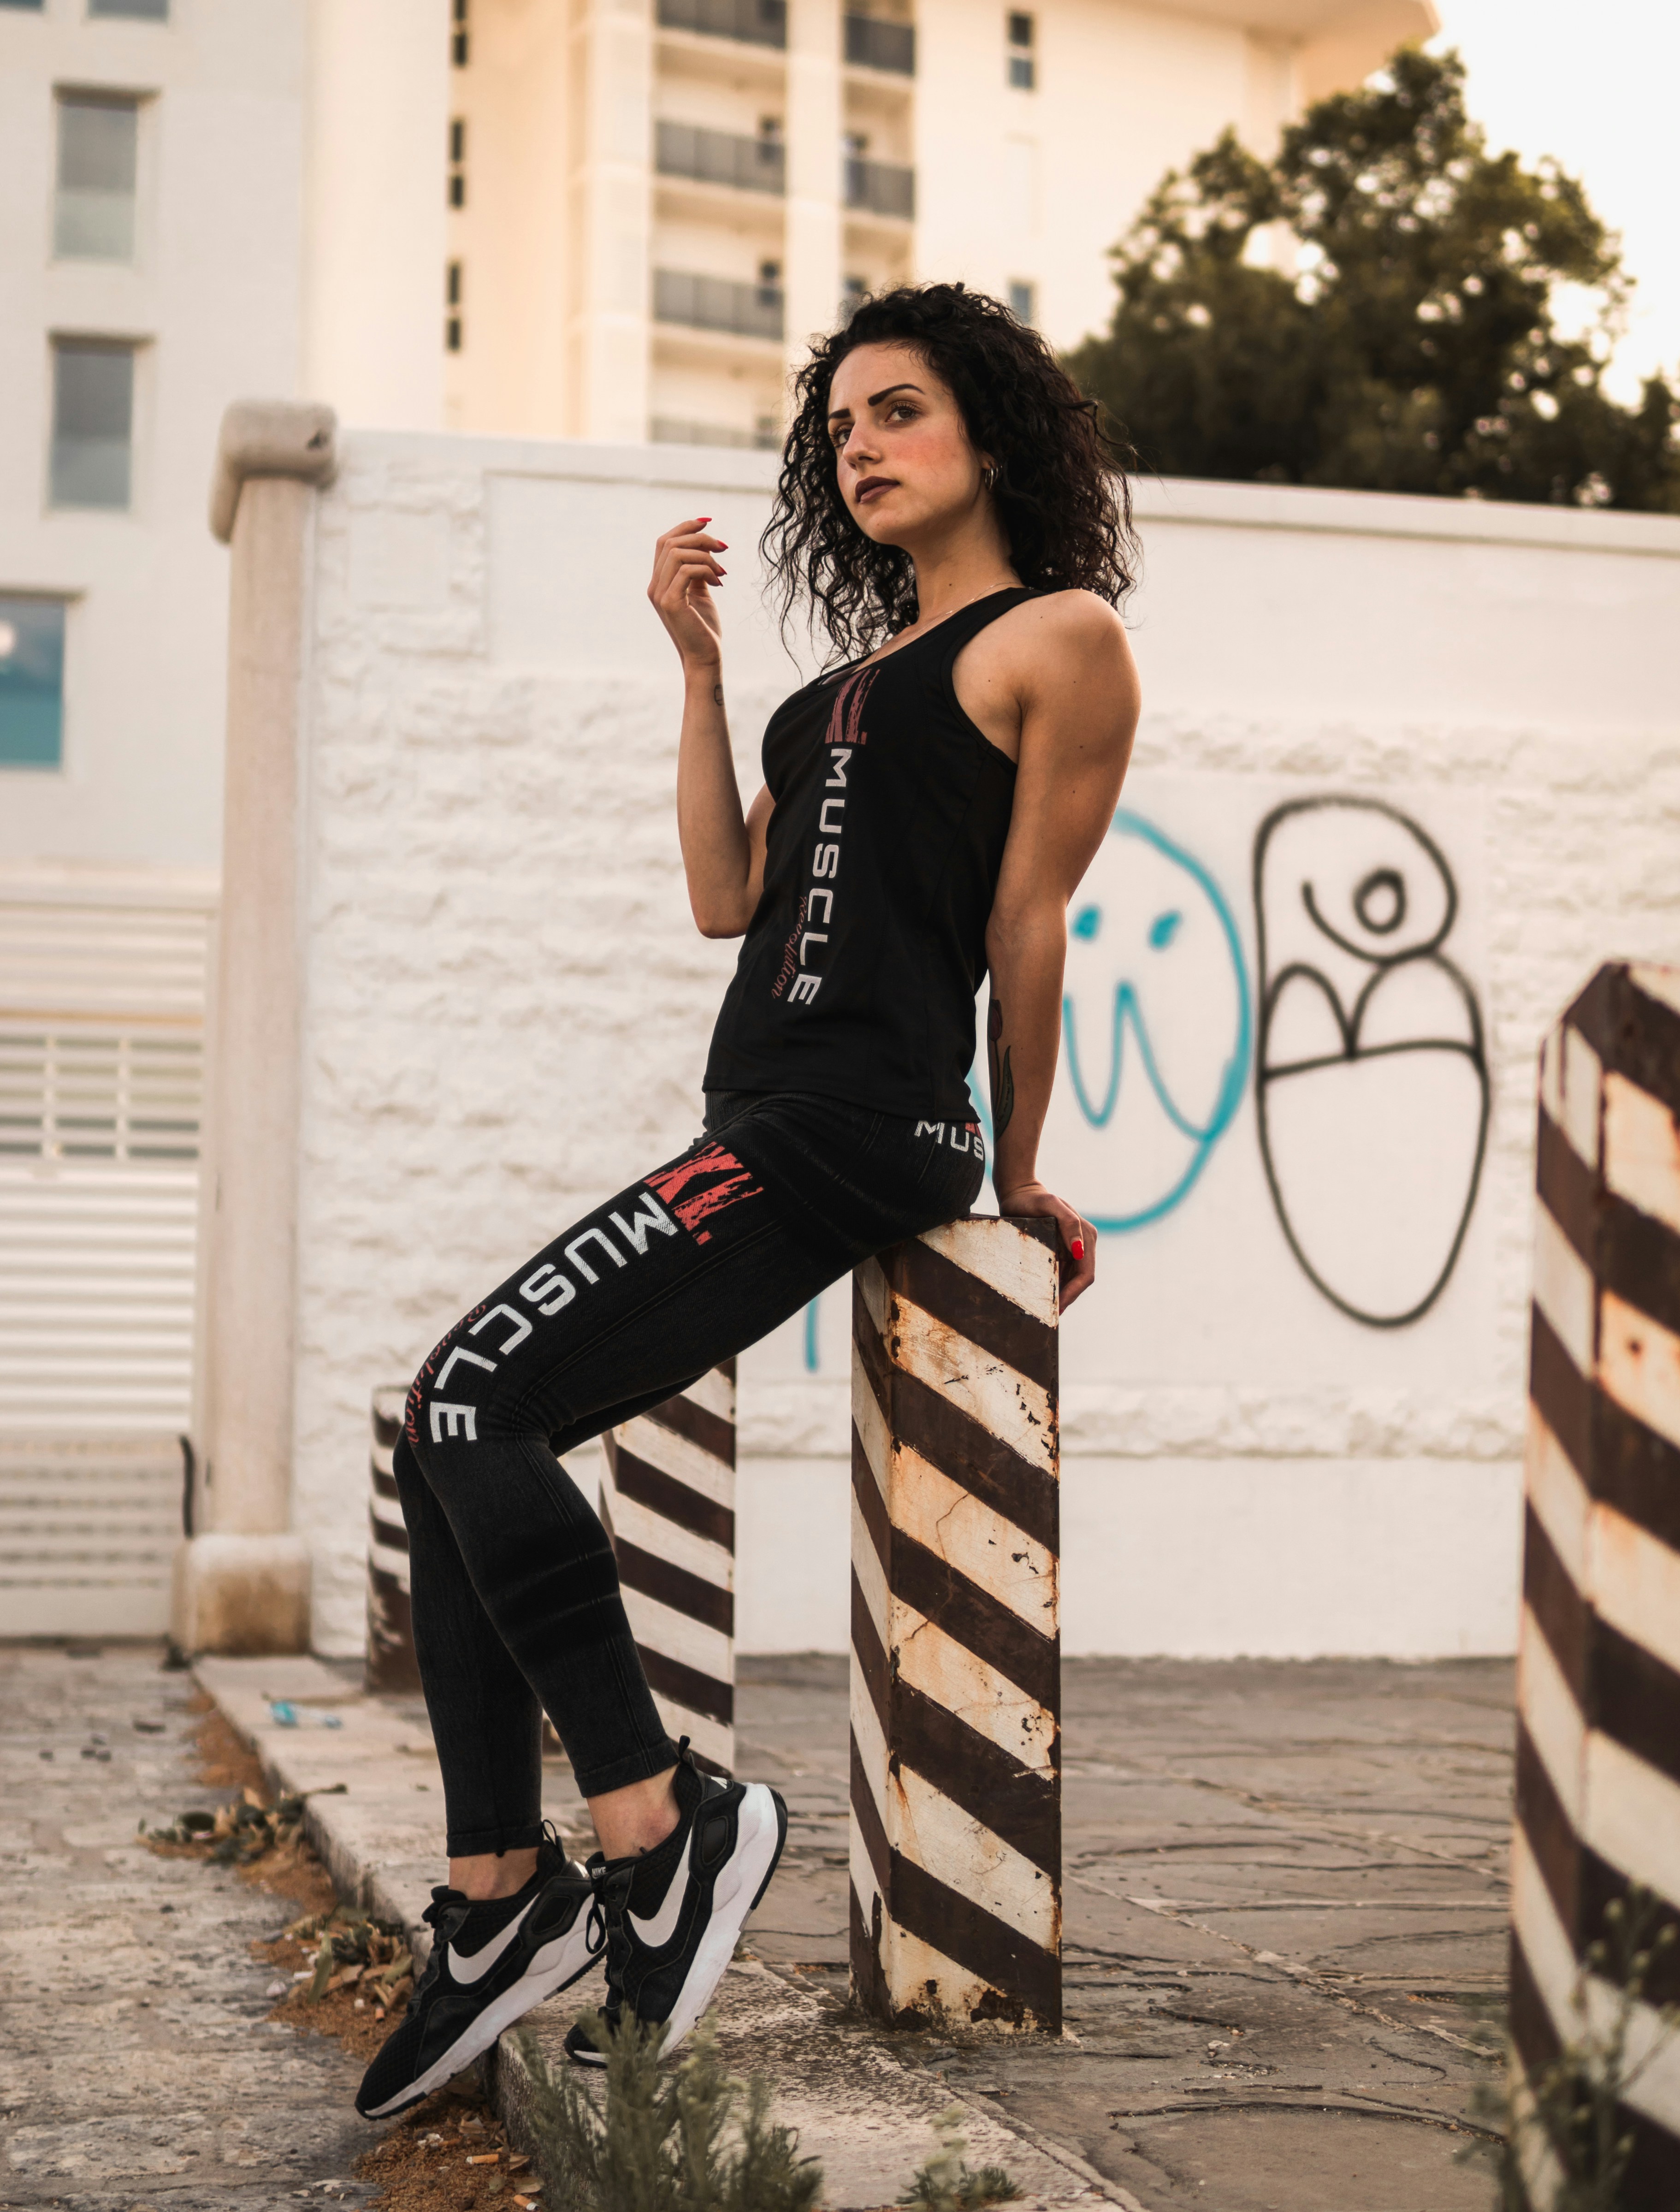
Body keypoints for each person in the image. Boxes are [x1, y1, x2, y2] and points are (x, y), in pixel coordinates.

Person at [356, 282, 1141, 2120]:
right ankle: (498, 1895)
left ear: (996, 438)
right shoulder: (841, 690)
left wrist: (1017, 1166)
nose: (860, 447)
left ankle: (655, 1828)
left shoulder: (1062, 639)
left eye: (901, 414)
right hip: (764, 1108)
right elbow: (728, 898)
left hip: (859, 1124)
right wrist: (701, 676)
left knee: (470, 1395)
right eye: (840, 429)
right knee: (457, 1427)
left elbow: (1029, 920)